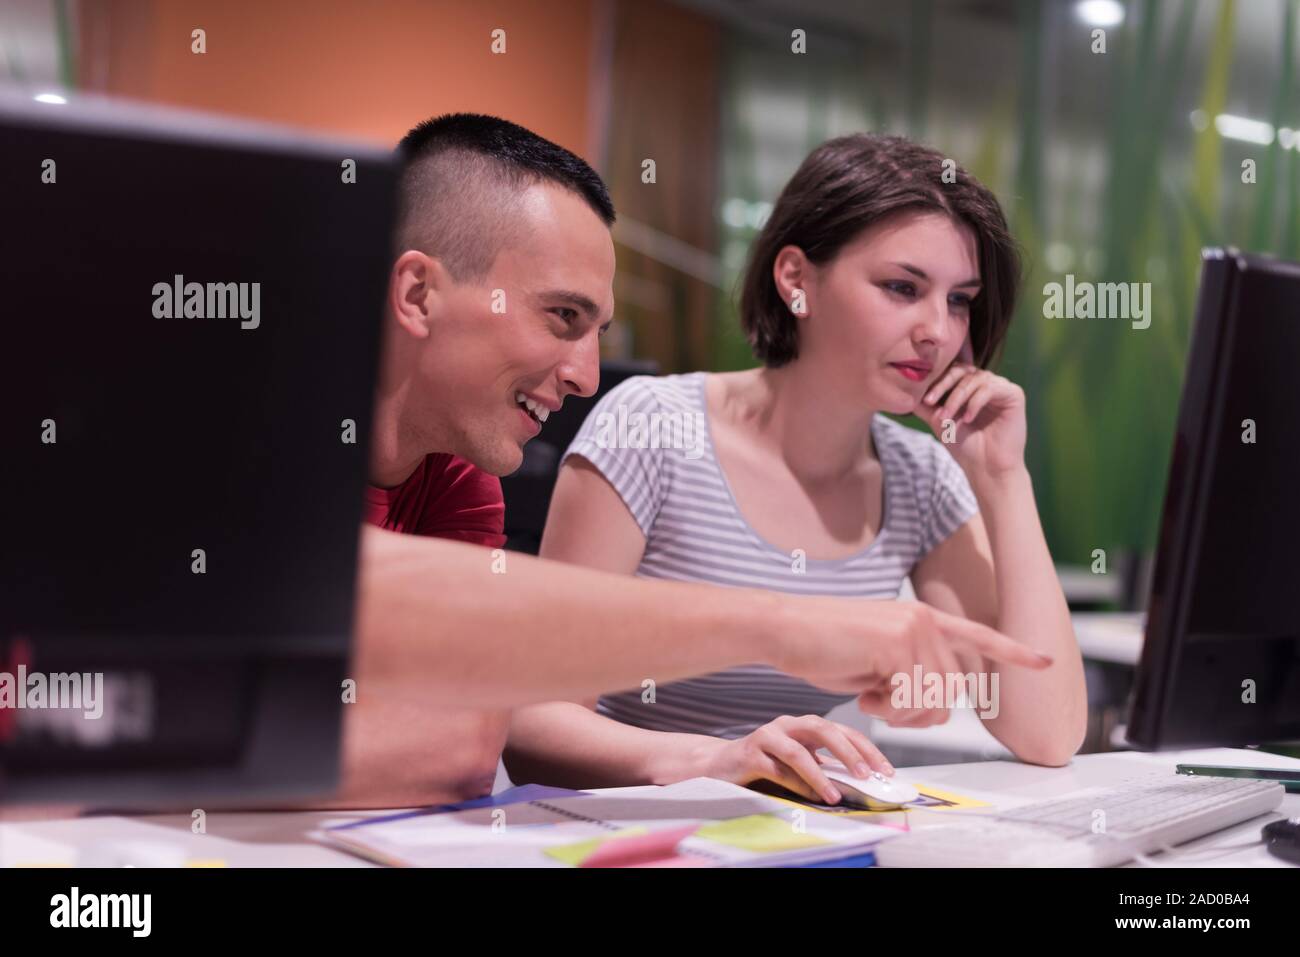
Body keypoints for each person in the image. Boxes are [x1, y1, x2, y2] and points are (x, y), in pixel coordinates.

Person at [332, 117, 1053, 809]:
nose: (939, 331)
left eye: (960, 301)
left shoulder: (462, 480)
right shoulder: (652, 425)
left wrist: (1002, 477)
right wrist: (776, 638)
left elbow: (464, 741)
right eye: (902, 287)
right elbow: (485, 718)